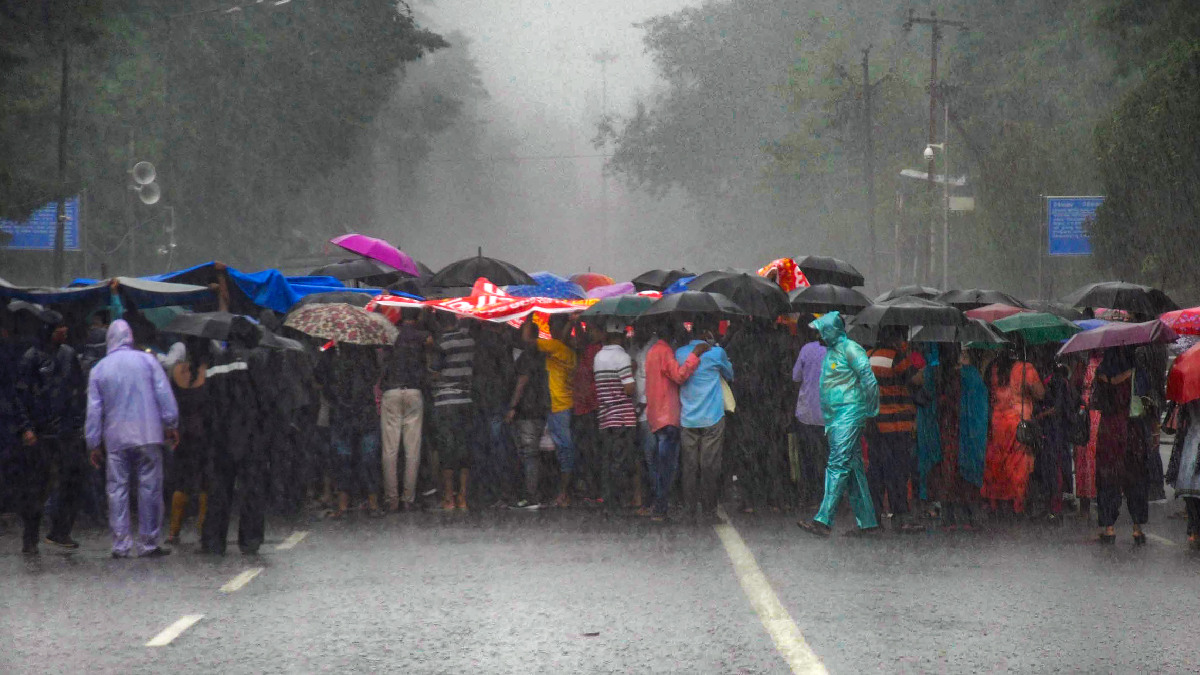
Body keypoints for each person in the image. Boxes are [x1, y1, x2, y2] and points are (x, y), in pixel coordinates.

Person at [86, 319, 179, 558]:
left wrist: (93, 443)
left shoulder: (99, 369)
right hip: (148, 434)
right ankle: (149, 542)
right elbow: (163, 393)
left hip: (115, 438)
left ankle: (121, 544)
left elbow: (94, 410)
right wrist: (171, 423)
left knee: (117, 490)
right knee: (150, 488)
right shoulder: (147, 361)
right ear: (131, 337)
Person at [798, 312, 879, 537]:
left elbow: (869, 379)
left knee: (836, 465)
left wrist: (871, 409)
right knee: (853, 470)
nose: (819, 335)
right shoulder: (833, 351)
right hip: (837, 418)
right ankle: (868, 522)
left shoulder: (851, 348)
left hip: (848, 415)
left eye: (822, 330)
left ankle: (823, 520)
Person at [14, 307, 86, 553]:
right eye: (58, 328)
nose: (64, 331)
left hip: (67, 432)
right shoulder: (30, 358)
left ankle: (60, 530)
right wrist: (26, 427)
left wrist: (79, 421)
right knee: (38, 486)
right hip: (41, 433)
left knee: (72, 481)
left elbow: (78, 388)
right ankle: (30, 538)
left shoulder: (69, 355)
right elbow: (20, 397)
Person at [202, 317, 271, 555]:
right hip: (249, 434)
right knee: (251, 488)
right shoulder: (255, 359)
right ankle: (249, 540)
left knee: (220, 489)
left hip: (221, 435)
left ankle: (213, 540)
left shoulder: (215, 362)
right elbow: (264, 398)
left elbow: (208, 401)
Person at [916, 344, 989, 530]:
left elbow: (915, 387)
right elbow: (980, 404)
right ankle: (968, 517)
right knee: (963, 474)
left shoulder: (932, 374)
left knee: (945, 473)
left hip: (941, 433)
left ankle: (949, 516)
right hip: (963, 433)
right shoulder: (970, 375)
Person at [643, 319, 705, 520]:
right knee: (667, 467)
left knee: (658, 464)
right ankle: (661, 507)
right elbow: (679, 376)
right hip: (668, 415)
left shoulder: (651, 352)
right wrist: (694, 356)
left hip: (655, 415)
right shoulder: (665, 352)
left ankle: (659, 504)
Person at [864, 328, 924, 533]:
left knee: (876, 470)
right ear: (895, 337)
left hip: (873, 424)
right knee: (897, 471)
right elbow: (917, 380)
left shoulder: (868, 356)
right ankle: (901, 516)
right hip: (896, 424)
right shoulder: (896, 358)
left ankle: (873, 515)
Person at [675, 316, 734, 523]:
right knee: (710, 466)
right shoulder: (717, 353)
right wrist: (716, 346)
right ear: (706, 334)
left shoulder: (680, 353)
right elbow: (730, 373)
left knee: (689, 466)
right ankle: (709, 510)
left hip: (688, 418)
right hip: (712, 417)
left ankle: (689, 510)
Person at [1092, 347, 1148, 544]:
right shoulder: (1136, 372)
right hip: (1132, 430)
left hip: (1108, 431)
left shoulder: (1101, 372)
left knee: (1108, 477)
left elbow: (1096, 402)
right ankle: (1136, 528)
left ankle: (1109, 528)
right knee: (1135, 478)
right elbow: (1146, 400)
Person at [981, 349, 1044, 517]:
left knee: (998, 463)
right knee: (1018, 465)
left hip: (997, 423)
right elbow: (1040, 394)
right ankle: (1017, 505)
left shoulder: (994, 369)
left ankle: (998, 502)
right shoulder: (1026, 369)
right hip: (1018, 424)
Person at [380, 307, 432, 511]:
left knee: (390, 449)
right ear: (417, 316)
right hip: (414, 392)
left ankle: (391, 498)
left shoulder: (390, 335)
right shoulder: (423, 337)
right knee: (412, 450)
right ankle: (408, 498)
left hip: (391, 391)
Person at [324, 343, 384, 518]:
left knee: (343, 461)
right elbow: (374, 378)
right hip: (365, 414)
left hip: (343, 416)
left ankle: (343, 505)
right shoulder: (369, 358)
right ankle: (373, 503)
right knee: (369, 460)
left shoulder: (334, 359)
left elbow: (328, 387)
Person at [166, 337, 213, 545]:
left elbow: (169, 403)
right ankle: (203, 527)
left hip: (182, 434)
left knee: (181, 482)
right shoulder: (209, 373)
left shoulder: (176, 372)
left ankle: (173, 531)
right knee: (205, 482)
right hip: (204, 433)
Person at [592, 318, 639, 510]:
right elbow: (628, 389)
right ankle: (618, 500)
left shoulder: (598, 356)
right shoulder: (623, 357)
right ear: (621, 336)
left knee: (608, 459)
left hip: (605, 416)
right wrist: (633, 373)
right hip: (622, 417)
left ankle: (608, 499)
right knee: (622, 461)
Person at [431, 314, 477, 511]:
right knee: (464, 448)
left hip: (445, 402)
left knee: (447, 449)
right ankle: (463, 497)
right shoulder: (470, 341)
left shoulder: (441, 343)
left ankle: (448, 497)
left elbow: (434, 372)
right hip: (466, 400)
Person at [506, 318, 551, 509]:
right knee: (533, 454)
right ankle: (536, 493)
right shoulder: (542, 355)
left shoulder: (527, 356)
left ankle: (531, 496)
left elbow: (522, 382)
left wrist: (512, 406)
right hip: (540, 409)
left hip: (527, 411)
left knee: (528, 454)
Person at [472, 322, 516, 508]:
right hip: (497, 401)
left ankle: (488, 492)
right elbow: (508, 374)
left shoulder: (479, 342)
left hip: (482, 402)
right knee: (500, 448)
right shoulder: (501, 344)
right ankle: (503, 492)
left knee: (486, 447)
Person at [539, 314, 578, 507]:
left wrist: (529, 316)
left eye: (552, 326)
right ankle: (563, 492)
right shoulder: (569, 350)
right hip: (561, 405)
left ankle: (563, 494)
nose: (550, 330)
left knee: (563, 450)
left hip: (558, 406)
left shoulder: (555, 347)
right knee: (562, 450)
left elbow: (526, 341)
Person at [791, 322, 828, 509]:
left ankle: (810, 495)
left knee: (807, 457)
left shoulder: (806, 349)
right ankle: (826, 496)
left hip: (806, 413)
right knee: (828, 457)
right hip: (829, 415)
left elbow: (795, 376)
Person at [572, 320, 605, 502]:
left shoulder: (598, 350)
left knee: (593, 450)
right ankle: (591, 489)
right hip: (584, 406)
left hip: (593, 407)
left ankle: (595, 490)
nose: (588, 333)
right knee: (587, 450)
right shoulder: (587, 349)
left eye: (591, 329)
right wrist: (576, 322)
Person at [1167, 400, 1200, 549]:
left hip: (1191, 445)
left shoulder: (1189, 397)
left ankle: (1194, 529)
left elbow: (1181, 422)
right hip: (1192, 446)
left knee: (1190, 493)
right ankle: (1195, 528)